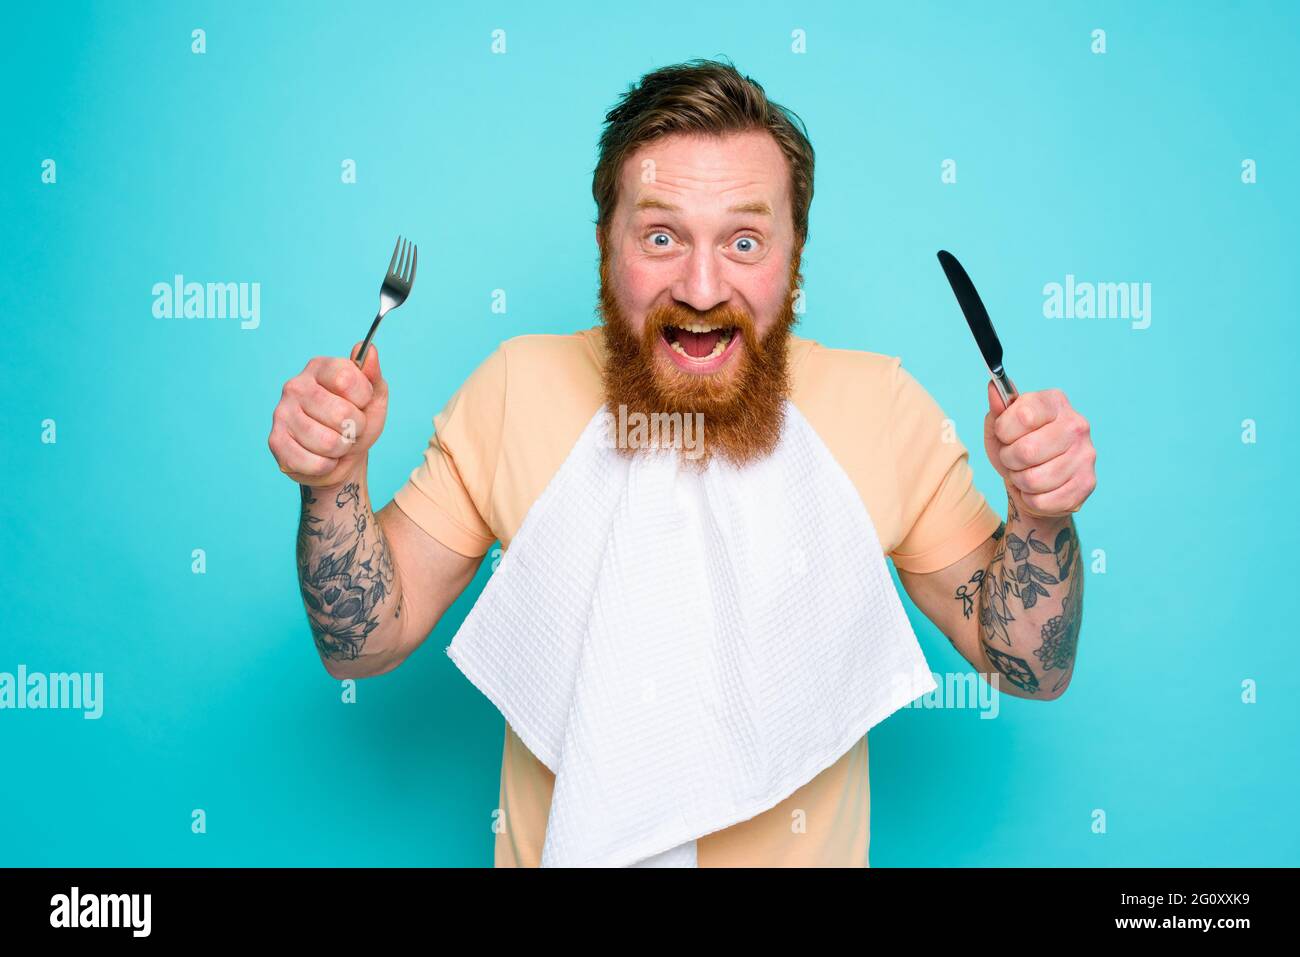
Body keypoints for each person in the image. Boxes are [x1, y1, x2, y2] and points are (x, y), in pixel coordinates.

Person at [267, 58, 1097, 867]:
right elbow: (360, 646)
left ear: (794, 252)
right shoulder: (516, 388)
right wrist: (332, 482)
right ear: (605, 243)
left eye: (744, 240)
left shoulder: (880, 408)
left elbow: (1028, 665)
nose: (701, 286)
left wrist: (1041, 511)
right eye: (661, 235)